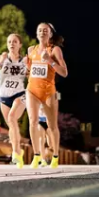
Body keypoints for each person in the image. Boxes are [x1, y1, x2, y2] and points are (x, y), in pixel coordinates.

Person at [26, 23, 68, 169]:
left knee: (52, 126)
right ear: (36, 34)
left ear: (50, 34)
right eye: (39, 30)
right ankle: (37, 155)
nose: (42, 32)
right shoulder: (31, 50)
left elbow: (64, 72)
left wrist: (49, 61)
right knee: (33, 121)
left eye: (45, 30)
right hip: (32, 90)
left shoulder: (54, 50)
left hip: (49, 92)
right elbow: (30, 70)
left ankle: (55, 156)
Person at [0, 33, 27, 168]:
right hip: (4, 97)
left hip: (19, 95)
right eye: (9, 41)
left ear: (20, 44)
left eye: (15, 41)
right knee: (11, 124)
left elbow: (33, 75)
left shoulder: (25, 60)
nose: (11, 44)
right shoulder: (1, 58)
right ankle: (18, 151)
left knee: (11, 117)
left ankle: (16, 153)